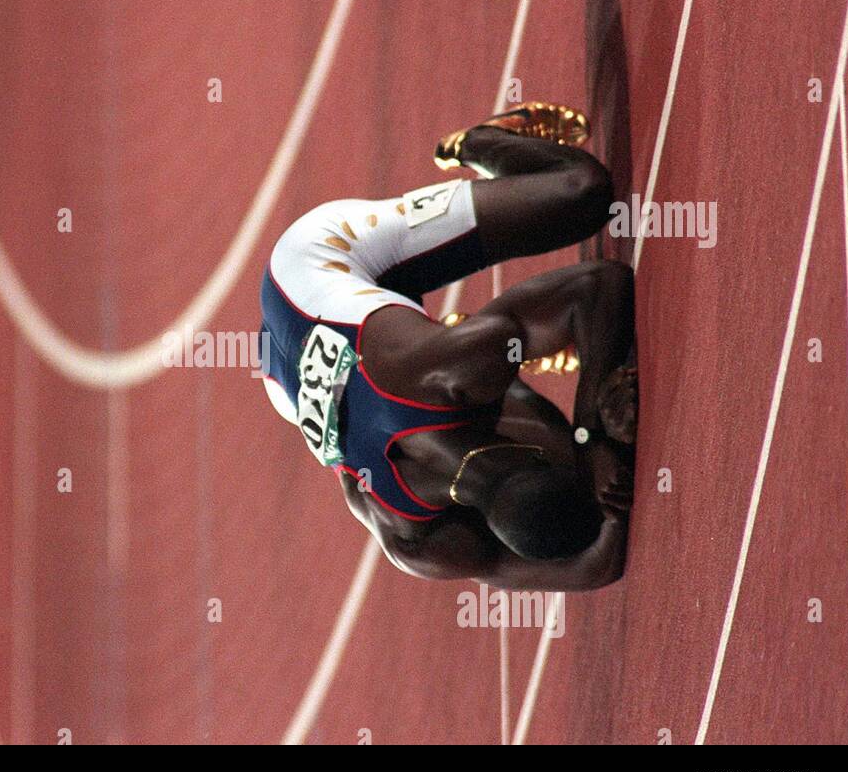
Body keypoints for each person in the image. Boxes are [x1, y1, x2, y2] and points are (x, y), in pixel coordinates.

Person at [258, 102, 636, 591]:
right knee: (548, 440)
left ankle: (479, 143)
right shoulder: (415, 541)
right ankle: (510, 352)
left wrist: (593, 436)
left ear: (528, 456)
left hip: (314, 268)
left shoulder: (450, 380)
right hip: (292, 371)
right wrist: (595, 447)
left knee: (583, 193)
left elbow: (599, 285)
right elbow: (590, 563)